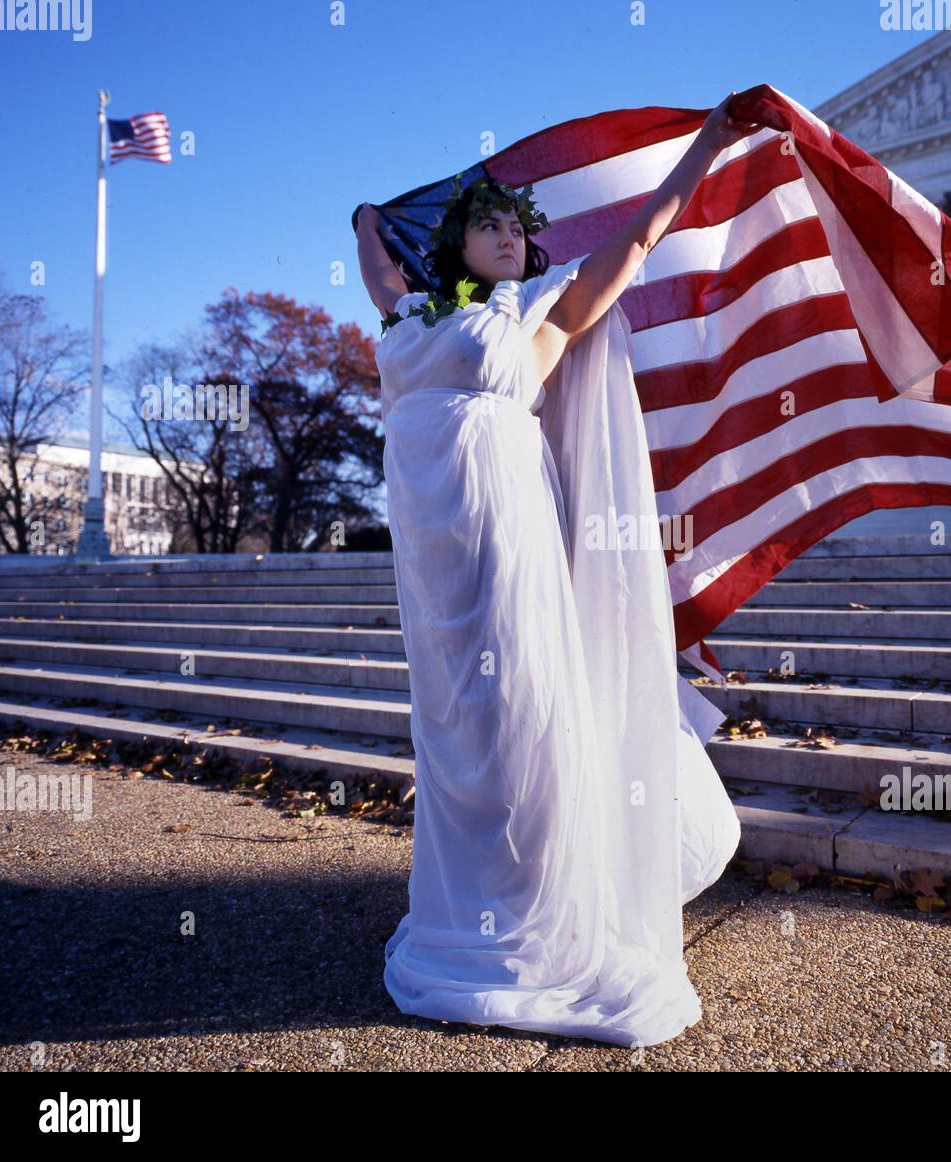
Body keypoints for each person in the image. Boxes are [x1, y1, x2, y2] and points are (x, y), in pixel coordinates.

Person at [356, 92, 762, 1048]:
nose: (503, 234)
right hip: (429, 554)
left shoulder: (534, 319)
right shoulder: (411, 315)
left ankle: (542, 917)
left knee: (519, 714)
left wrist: (711, 140)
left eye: (514, 226)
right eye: (485, 223)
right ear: (453, 244)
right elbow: (375, 254)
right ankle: (472, 914)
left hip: (506, 540)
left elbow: (636, 243)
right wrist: (375, 215)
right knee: (454, 727)